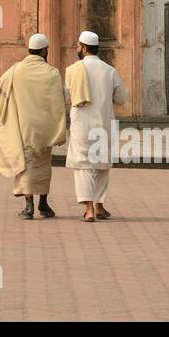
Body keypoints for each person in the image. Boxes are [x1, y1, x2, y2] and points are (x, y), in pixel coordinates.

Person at [0, 33, 68, 220]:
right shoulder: (52, 73)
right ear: (45, 50)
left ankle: (29, 205)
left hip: (22, 126)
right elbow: (59, 101)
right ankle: (43, 203)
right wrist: (57, 127)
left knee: (26, 165)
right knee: (43, 165)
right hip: (45, 127)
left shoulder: (15, 71)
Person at [66, 30, 128, 223]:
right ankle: (100, 205)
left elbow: (67, 97)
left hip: (81, 125)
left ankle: (89, 209)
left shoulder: (72, 70)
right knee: (101, 165)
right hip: (103, 123)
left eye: (78, 46)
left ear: (84, 48)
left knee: (83, 165)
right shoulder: (109, 70)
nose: (77, 48)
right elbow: (121, 98)